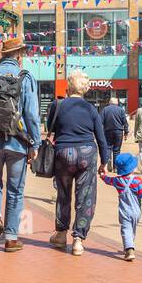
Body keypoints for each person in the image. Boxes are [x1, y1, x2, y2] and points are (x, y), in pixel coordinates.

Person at [0, 36, 40, 253]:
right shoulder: (26, 78)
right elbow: (31, 114)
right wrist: (35, 143)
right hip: (18, 143)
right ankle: (11, 238)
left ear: (3, 55)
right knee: (15, 190)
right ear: (19, 56)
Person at [46, 71, 110, 256]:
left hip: (63, 153)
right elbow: (101, 138)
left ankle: (60, 234)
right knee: (86, 197)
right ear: (85, 89)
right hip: (87, 154)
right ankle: (78, 240)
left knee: (64, 194)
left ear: (69, 86)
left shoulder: (57, 105)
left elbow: (48, 127)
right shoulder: (91, 109)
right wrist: (104, 162)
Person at [100, 152, 142, 262]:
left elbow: (108, 180)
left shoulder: (117, 180)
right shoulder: (137, 181)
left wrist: (103, 175)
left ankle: (129, 248)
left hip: (124, 211)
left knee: (126, 229)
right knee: (132, 229)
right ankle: (129, 246)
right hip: (136, 212)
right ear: (132, 167)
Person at [99, 95, 128, 167]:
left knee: (108, 147)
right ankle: (115, 167)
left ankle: (107, 163)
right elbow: (125, 122)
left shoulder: (105, 110)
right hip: (118, 131)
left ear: (109, 102)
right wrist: (126, 132)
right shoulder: (121, 110)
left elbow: (100, 122)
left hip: (107, 131)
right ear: (117, 103)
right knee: (117, 150)